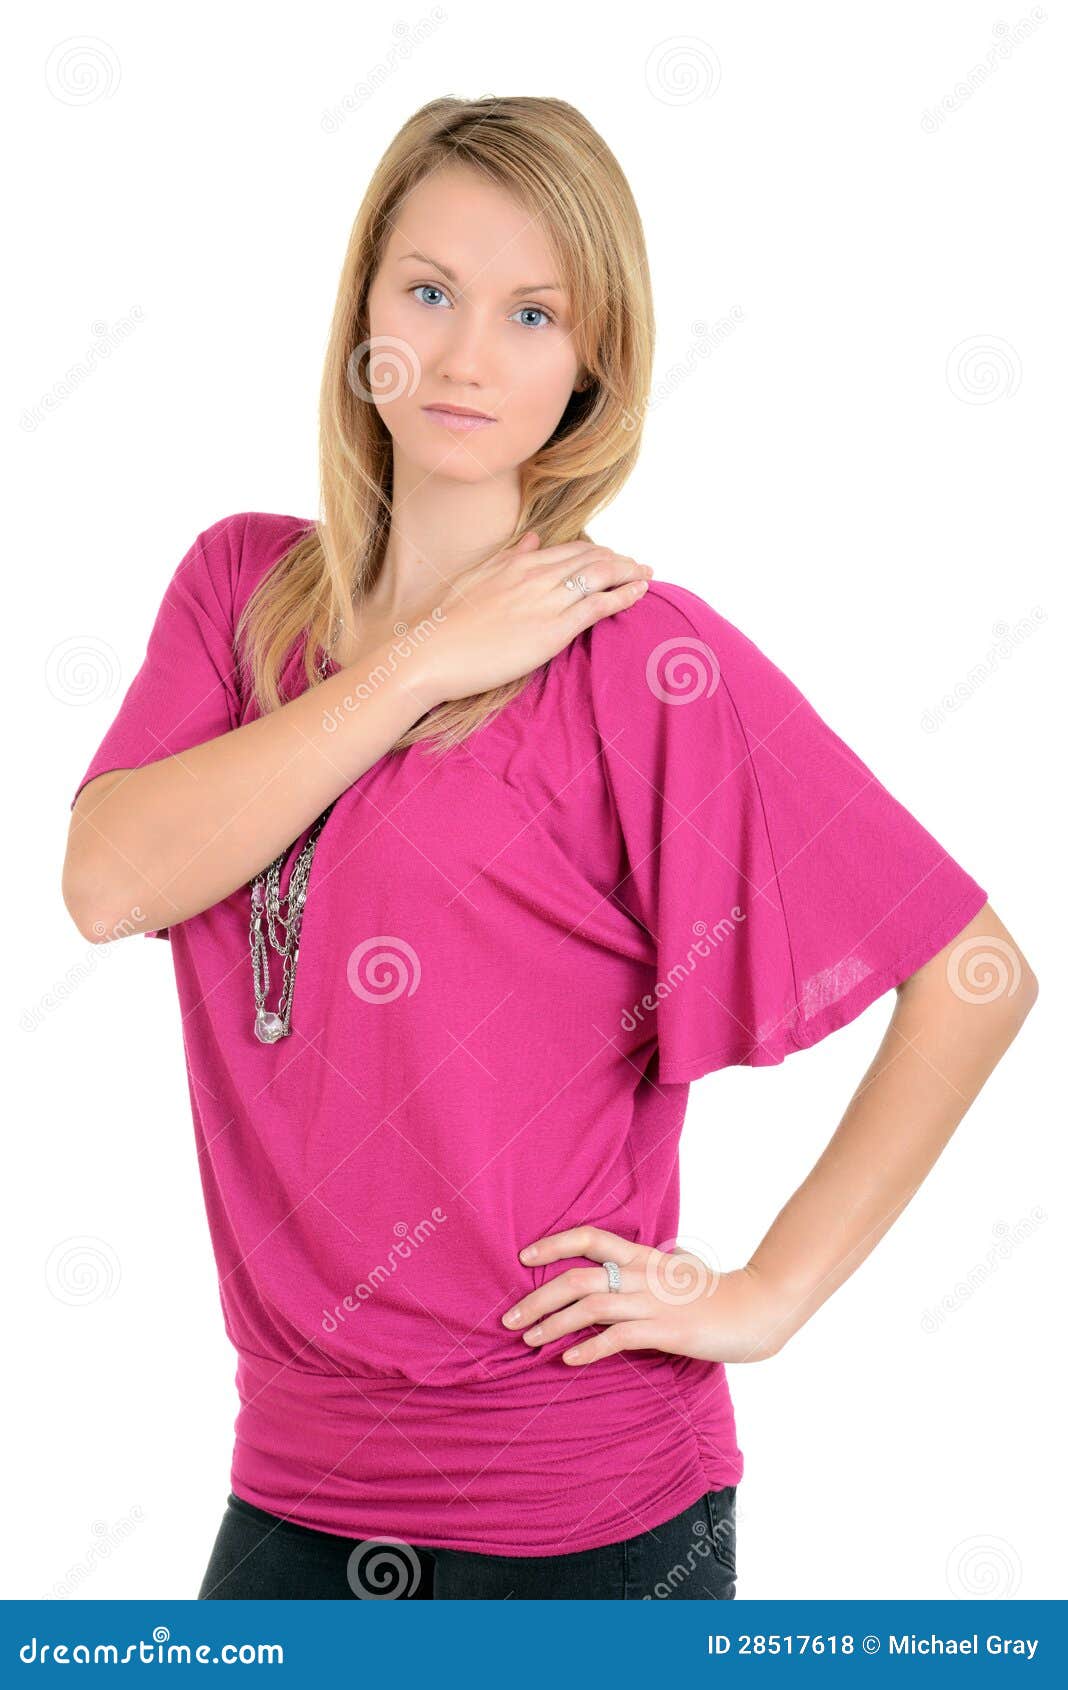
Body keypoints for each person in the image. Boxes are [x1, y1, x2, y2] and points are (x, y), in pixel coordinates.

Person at [62, 96, 1037, 1602]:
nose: (464, 356)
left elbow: (976, 971)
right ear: (363, 312)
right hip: (292, 1488)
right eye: (429, 291)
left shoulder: (642, 658)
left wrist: (764, 1294)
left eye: (533, 314)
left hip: (584, 1511)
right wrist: (422, 663)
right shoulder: (241, 592)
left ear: (594, 364)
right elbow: (110, 879)